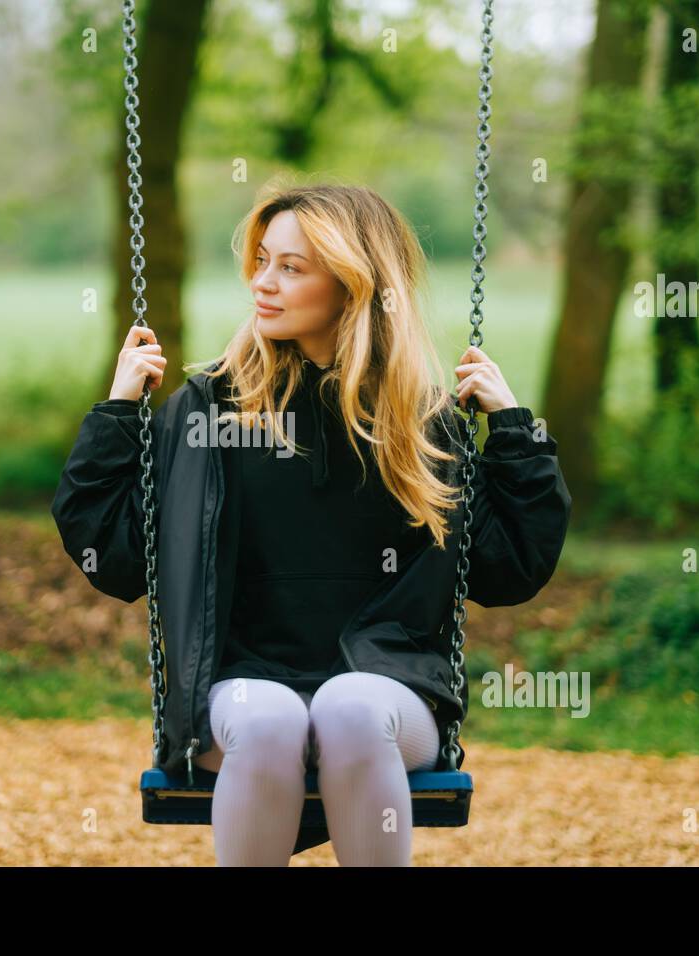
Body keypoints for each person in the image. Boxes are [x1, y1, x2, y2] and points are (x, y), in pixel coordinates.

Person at [51, 180, 571, 866]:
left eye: (291, 268)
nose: (263, 284)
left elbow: (509, 570)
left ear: (356, 286)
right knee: (271, 719)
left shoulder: (422, 423)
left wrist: (510, 430)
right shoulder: (213, 413)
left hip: (391, 691)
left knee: (349, 708)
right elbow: (113, 559)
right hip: (240, 686)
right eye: (261, 261)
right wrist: (118, 414)